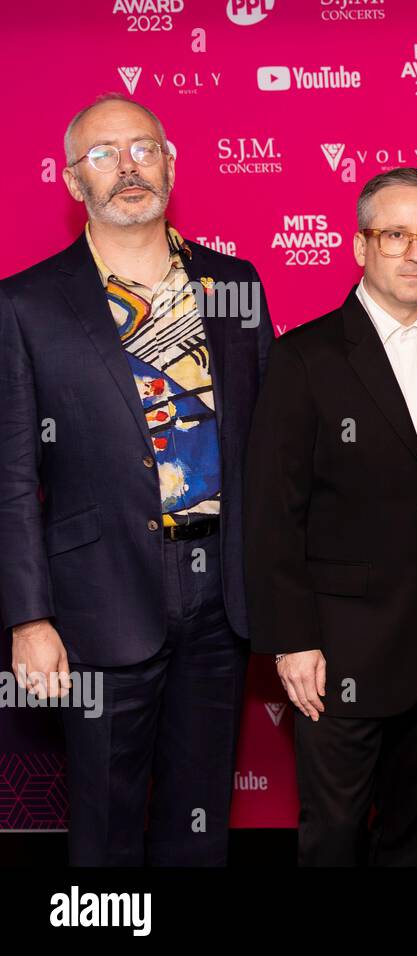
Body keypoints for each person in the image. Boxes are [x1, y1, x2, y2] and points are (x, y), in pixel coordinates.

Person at [0, 92, 271, 865]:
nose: (127, 166)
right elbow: (12, 475)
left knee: (199, 818)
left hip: (222, 592)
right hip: (98, 597)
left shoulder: (234, 284)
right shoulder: (24, 305)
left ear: (171, 164)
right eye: (103, 153)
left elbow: (268, 447)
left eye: (143, 149)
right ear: (69, 178)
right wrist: (28, 619)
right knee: (106, 826)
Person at [244, 167, 417, 865]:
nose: (416, 253)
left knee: (415, 839)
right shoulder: (305, 357)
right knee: (333, 837)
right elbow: (272, 514)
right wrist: (292, 640)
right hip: (337, 654)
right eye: (395, 235)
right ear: (360, 247)